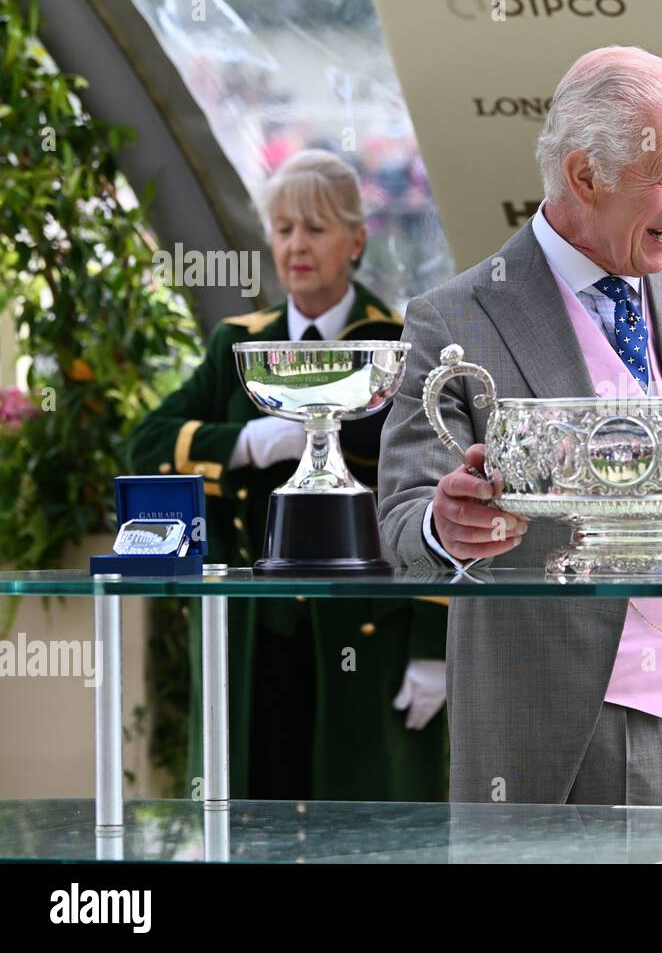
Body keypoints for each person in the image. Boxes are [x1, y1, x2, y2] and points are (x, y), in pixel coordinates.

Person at [377, 46, 662, 807]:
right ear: (584, 174)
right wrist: (447, 522)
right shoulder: (454, 318)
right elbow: (403, 522)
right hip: (565, 727)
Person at [128, 150, 449, 800]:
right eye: (283, 230)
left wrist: (434, 642)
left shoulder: (396, 345)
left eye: (315, 228)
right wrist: (245, 441)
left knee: (362, 818)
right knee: (248, 805)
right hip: (253, 627)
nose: (296, 246)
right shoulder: (239, 344)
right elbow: (148, 444)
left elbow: (432, 497)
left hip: (369, 632)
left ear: (355, 241)